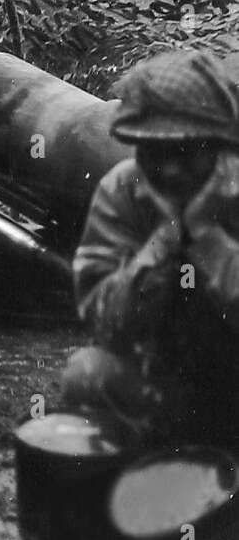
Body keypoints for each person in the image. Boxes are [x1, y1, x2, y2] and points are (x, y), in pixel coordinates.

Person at [62, 49, 239, 448]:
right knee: (86, 375)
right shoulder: (123, 190)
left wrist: (208, 237)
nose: (171, 169)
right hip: (167, 382)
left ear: (219, 145)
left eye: (186, 150)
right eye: (155, 153)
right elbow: (105, 325)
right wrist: (165, 242)